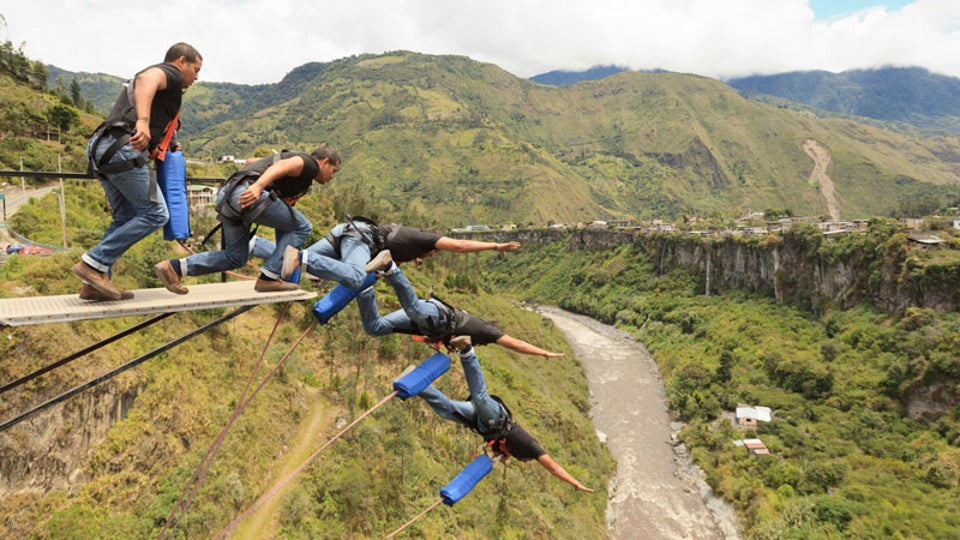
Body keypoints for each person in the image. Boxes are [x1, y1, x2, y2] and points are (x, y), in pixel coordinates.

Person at [72, 42, 203, 301]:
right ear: (181, 61)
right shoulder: (170, 73)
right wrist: (143, 122)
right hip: (123, 148)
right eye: (195, 69)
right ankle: (93, 262)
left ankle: (95, 282)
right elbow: (146, 78)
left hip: (104, 147)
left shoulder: (168, 87)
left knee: (125, 217)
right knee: (156, 213)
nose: (196, 77)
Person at [153, 146, 340, 294]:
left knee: (235, 257)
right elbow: (280, 167)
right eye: (333, 170)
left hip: (228, 195)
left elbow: (251, 162)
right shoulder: (309, 164)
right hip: (248, 194)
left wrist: (238, 190)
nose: (332, 176)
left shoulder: (290, 157)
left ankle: (174, 268)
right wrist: (257, 187)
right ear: (324, 161)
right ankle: (269, 278)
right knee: (302, 227)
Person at [416, 335, 593, 491]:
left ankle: (418, 384)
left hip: (481, 423)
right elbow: (554, 468)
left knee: (447, 409)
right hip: (495, 418)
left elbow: (502, 451)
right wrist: (575, 483)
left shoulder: (508, 448)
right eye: (524, 460)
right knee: (480, 397)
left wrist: (500, 456)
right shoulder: (530, 446)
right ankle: (467, 349)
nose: (524, 462)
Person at [358, 250, 564, 358]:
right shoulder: (486, 331)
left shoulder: (471, 333)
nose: (480, 346)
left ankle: (362, 288)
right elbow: (516, 344)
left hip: (426, 323)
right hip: (434, 314)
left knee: (374, 328)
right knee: (413, 308)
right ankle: (390, 266)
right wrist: (544, 353)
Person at [247, 220, 521, 289]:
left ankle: (254, 245)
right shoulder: (428, 239)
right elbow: (460, 246)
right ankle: (304, 259)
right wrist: (494, 246)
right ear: (433, 244)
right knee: (354, 277)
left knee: (296, 261)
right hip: (358, 238)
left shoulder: (412, 244)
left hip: (349, 232)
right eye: (435, 252)